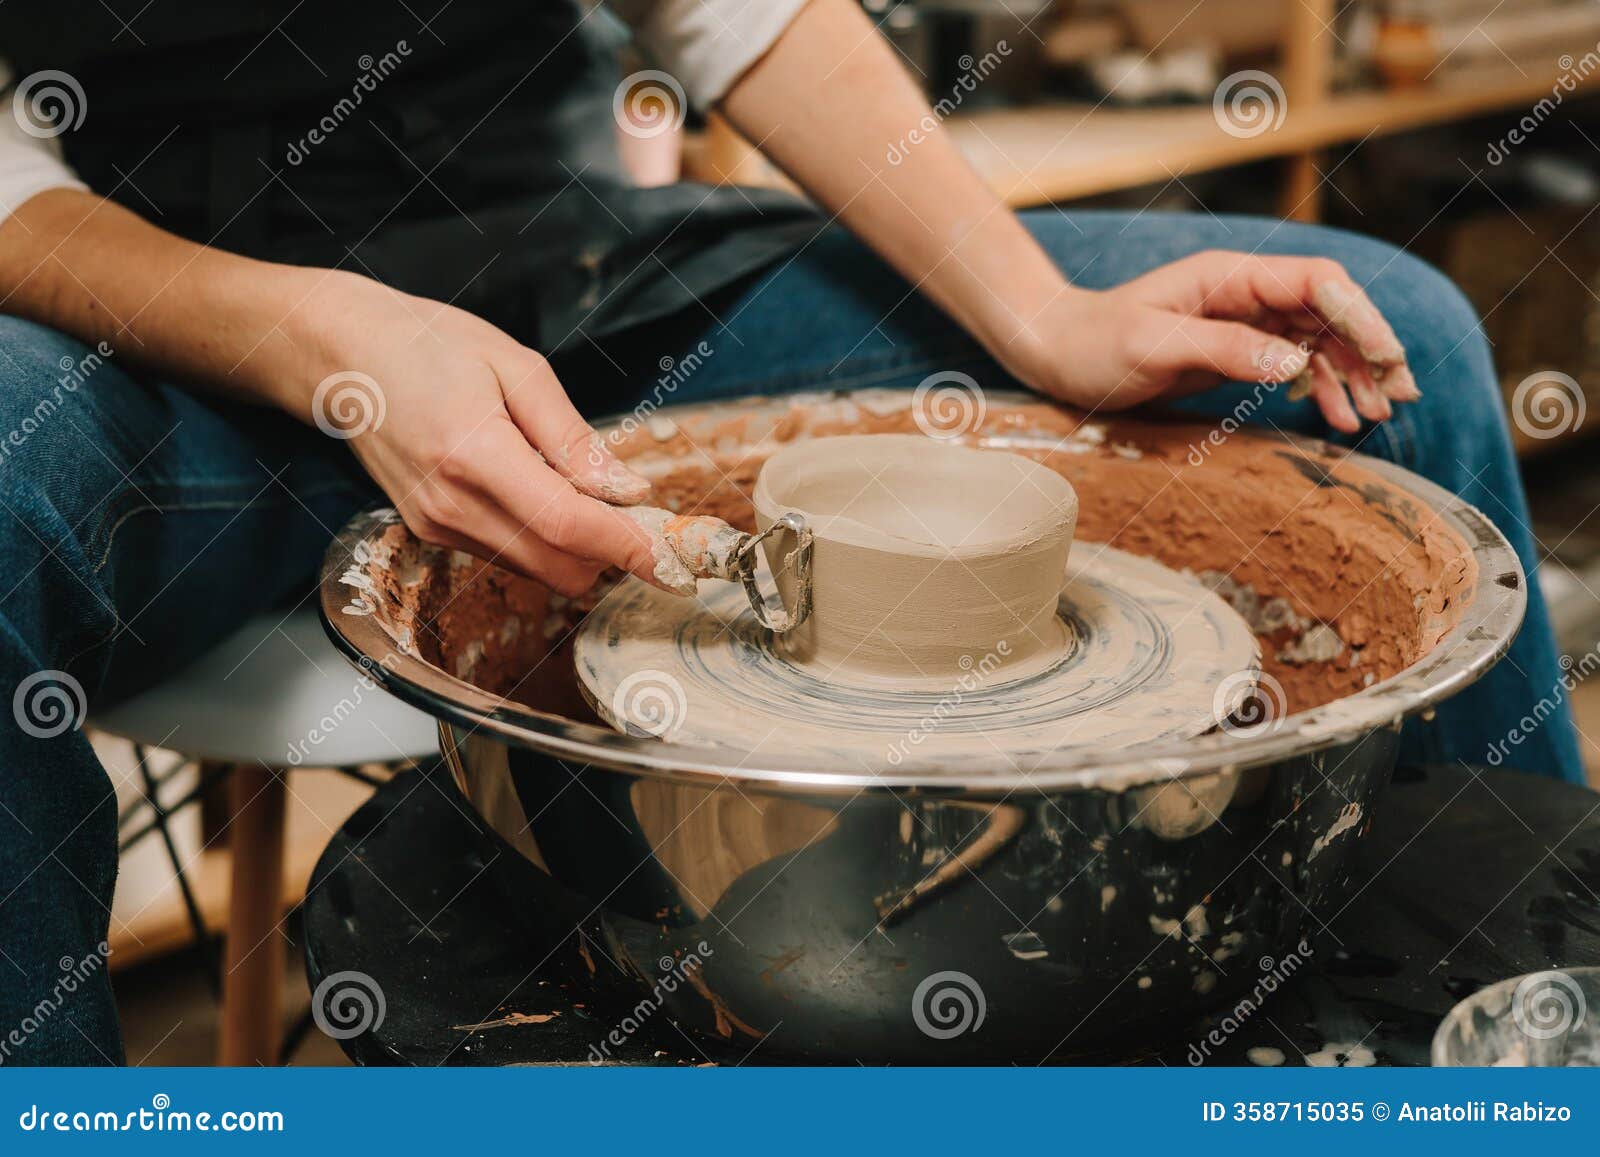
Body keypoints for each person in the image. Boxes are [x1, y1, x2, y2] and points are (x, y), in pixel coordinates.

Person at [0, 0, 1579, 1065]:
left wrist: (1043, 315)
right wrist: (312, 339)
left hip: (563, 275)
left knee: (1397, 354)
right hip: (154, 321)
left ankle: (1523, 1036)